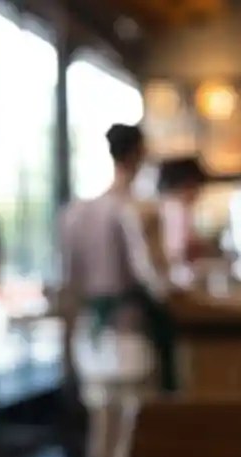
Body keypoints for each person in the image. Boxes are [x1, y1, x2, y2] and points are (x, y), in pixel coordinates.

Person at [60, 124, 176, 396]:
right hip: (131, 334)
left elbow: (69, 283)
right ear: (139, 154)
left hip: (90, 335)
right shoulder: (140, 210)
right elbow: (155, 279)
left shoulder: (76, 213)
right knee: (136, 427)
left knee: (102, 426)